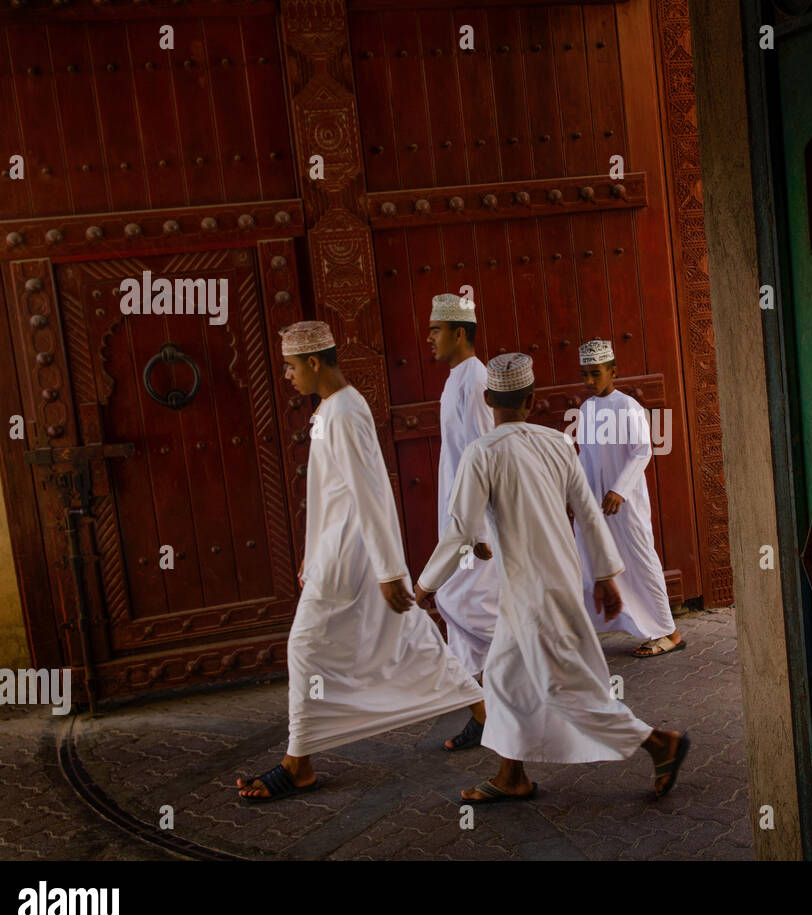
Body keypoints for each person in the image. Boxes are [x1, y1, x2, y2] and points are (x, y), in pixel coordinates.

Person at [414, 353, 690, 803]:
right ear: (532, 399)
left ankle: (660, 743)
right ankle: (512, 777)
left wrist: (425, 585)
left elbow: (461, 531)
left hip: (531, 595)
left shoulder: (481, 452)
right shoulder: (558, 444)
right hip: (553, 584)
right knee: (503, 679)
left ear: (488, 399)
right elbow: (588, 511)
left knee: (571, 690)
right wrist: (603, 576)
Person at [237, 321, 482, 801]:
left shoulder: (346, 411)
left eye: (290, 367)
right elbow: (332, 494)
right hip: (339, 553)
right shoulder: (333, 408)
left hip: (351, 558)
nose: (287, 377)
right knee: (409, 639)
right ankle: (487, 713)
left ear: (313, 362)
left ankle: (298, 766)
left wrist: (390, 570)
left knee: (304, 647)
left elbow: (371, 491)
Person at [572, 339, 683, 658]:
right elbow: (585, 455)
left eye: (596, 374)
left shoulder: (627, 406)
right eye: (585, 375)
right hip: (596, 501)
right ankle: (633, 626)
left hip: (626, 502)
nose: (590, 381)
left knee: (640, 559)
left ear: (613, 372)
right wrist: (577, 493)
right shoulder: (586, 408)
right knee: (598, 558)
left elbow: (642, 450)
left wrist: (620, 489)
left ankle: (670, 632)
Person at [426, 293, 501, 752]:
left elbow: (485, 452)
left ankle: (539, 671)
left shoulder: (474, 381)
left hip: (476, 531)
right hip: (459, 523)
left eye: (436, 330)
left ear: (458, 332)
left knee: (461, 602)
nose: (430, 339)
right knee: (461, 622)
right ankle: (485, 716)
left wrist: (476, 532)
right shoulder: (457, 378)